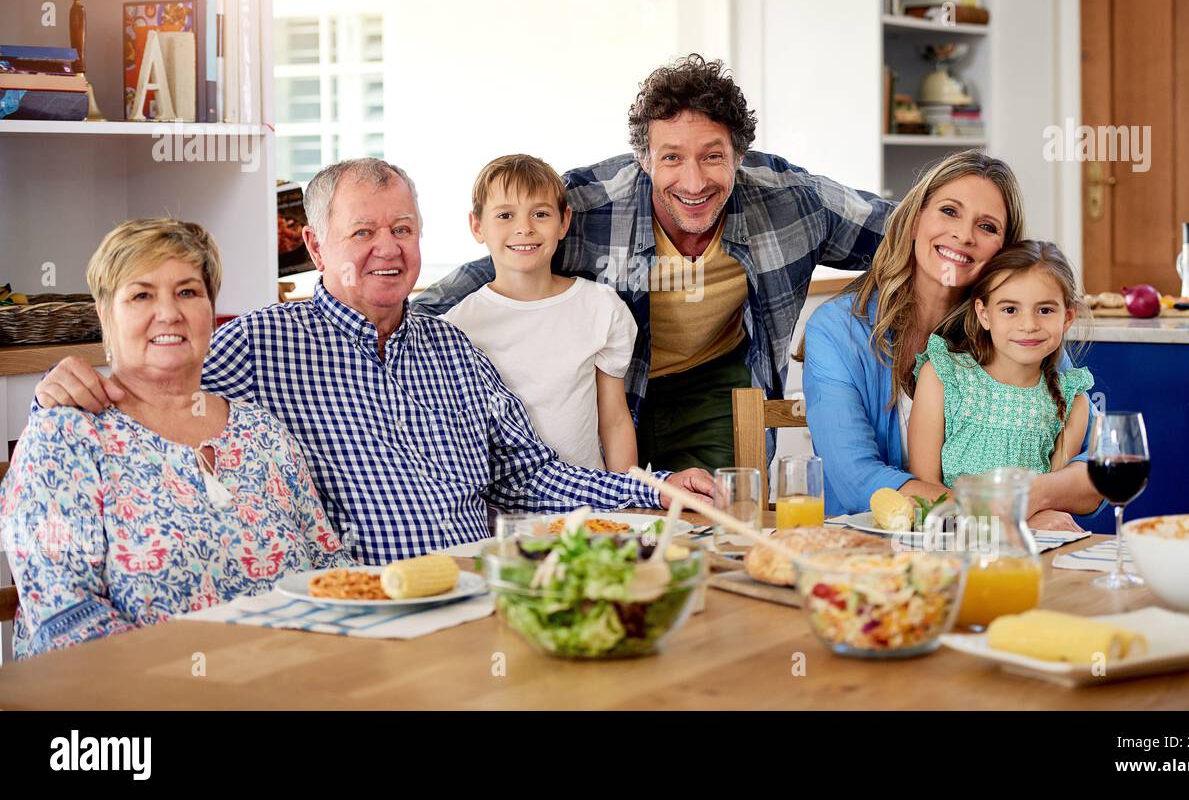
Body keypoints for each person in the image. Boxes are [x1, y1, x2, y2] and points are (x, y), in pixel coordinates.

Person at [31, 160, 713, 564]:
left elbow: (527, 474)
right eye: (363, 232)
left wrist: (653, 492)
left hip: (476, 597)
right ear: (317, 245)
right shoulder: (257, 346)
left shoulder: (452, 347)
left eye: (403, 230)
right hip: (356, 613)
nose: (387, 248)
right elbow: (151, 393)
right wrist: (60, 389)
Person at [415, 55, 895, 471]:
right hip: (607, 387)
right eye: (671, 157)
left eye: (712, 157)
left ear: (740, 156)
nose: (693, 182)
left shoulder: (792, 202)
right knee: (619, 531)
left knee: (709, 521)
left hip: (713, 382)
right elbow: (473, 284)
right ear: (643, 159)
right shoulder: (586, 207)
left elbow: (913, 234)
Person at [1, 219, 348, 659]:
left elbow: (330, 569)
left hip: (289, 681)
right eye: (142, 295)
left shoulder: (263, 432)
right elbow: (64, 617)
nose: (169, 313)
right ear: (106, 314)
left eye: (187, 292)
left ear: (211, 310)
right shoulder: (64, 437)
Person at [802, 151, 1102, 530]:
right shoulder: (837, 330)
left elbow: (1096, 472)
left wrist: (1035, 498)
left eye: (988, 227)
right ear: (914, 221)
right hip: (868, 552)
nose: (964, 235)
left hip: (999, 557)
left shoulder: (1017, 331)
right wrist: (1000, 515)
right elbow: (855, 479)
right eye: (949, 211)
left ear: (1004, 252)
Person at [444, 154, 638, 471]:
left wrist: (624, 503)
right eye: (505, 215)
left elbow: (614, 420)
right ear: (477, 226)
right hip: (506, 511)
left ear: (564, 222)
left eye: (540, 214)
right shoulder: (458, 327)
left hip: (588, 506)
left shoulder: (601, 307)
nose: (525, 228)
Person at [909, 240, 1095, 487]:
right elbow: (925, 487)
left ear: (1067, 318)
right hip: (952, 524)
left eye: (1045, 311)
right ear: (984, 314)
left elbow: (1050, 496)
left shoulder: (1072, 401)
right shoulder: (943, 377)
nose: (1028, 325)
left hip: (1028, 527)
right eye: (1010, 310)